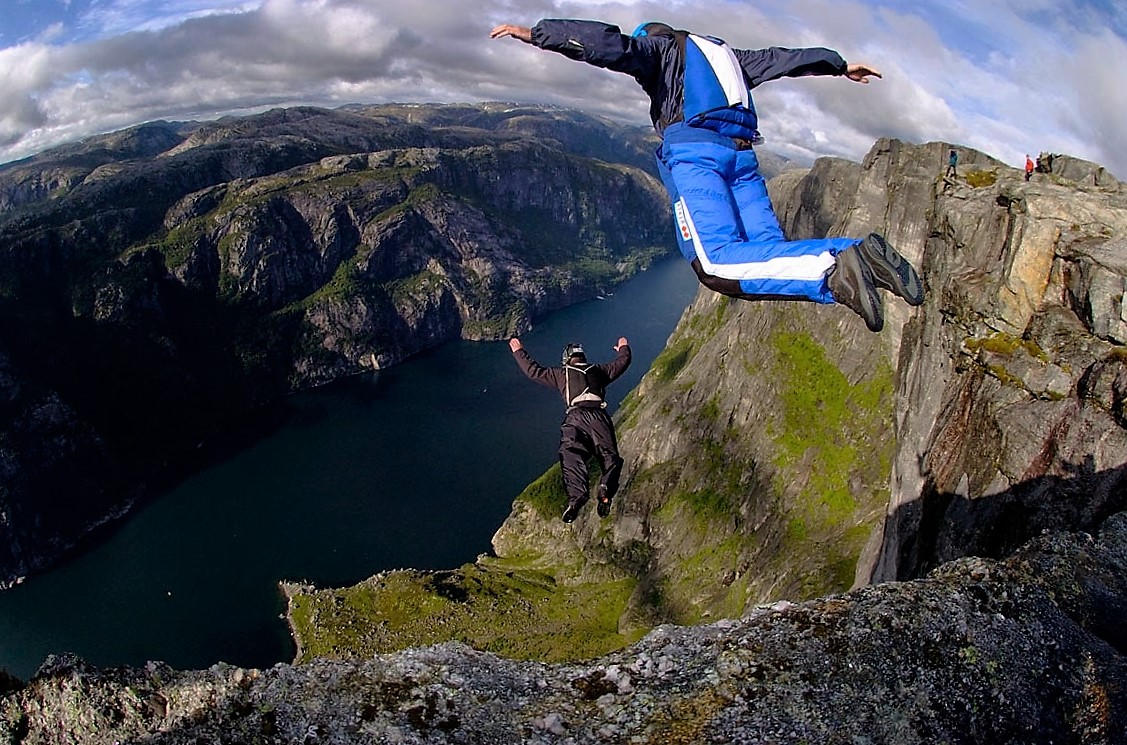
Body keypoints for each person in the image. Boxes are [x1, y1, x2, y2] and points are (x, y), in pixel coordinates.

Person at [490, 19, 924, 333]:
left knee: (716, 263)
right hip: (742, 160)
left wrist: (536, 35)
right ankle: (859, 254)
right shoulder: (729, 58)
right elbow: (785, 60)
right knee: (766, 256)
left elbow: (611, 46)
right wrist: (837, 64)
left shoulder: (659, 49)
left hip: (698, 158)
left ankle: (839, 266)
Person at [509, 336, 631, 522]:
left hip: (576, 417)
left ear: (567, 359)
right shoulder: (599, 371)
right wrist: (623, 347)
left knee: (570, 452)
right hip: (599, 417)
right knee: (610, 457)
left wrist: (519, 352)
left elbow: (533, 371)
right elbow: (623, 362)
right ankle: (605, 489)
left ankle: (576, 499)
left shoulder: (561, 374)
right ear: (583, 357)